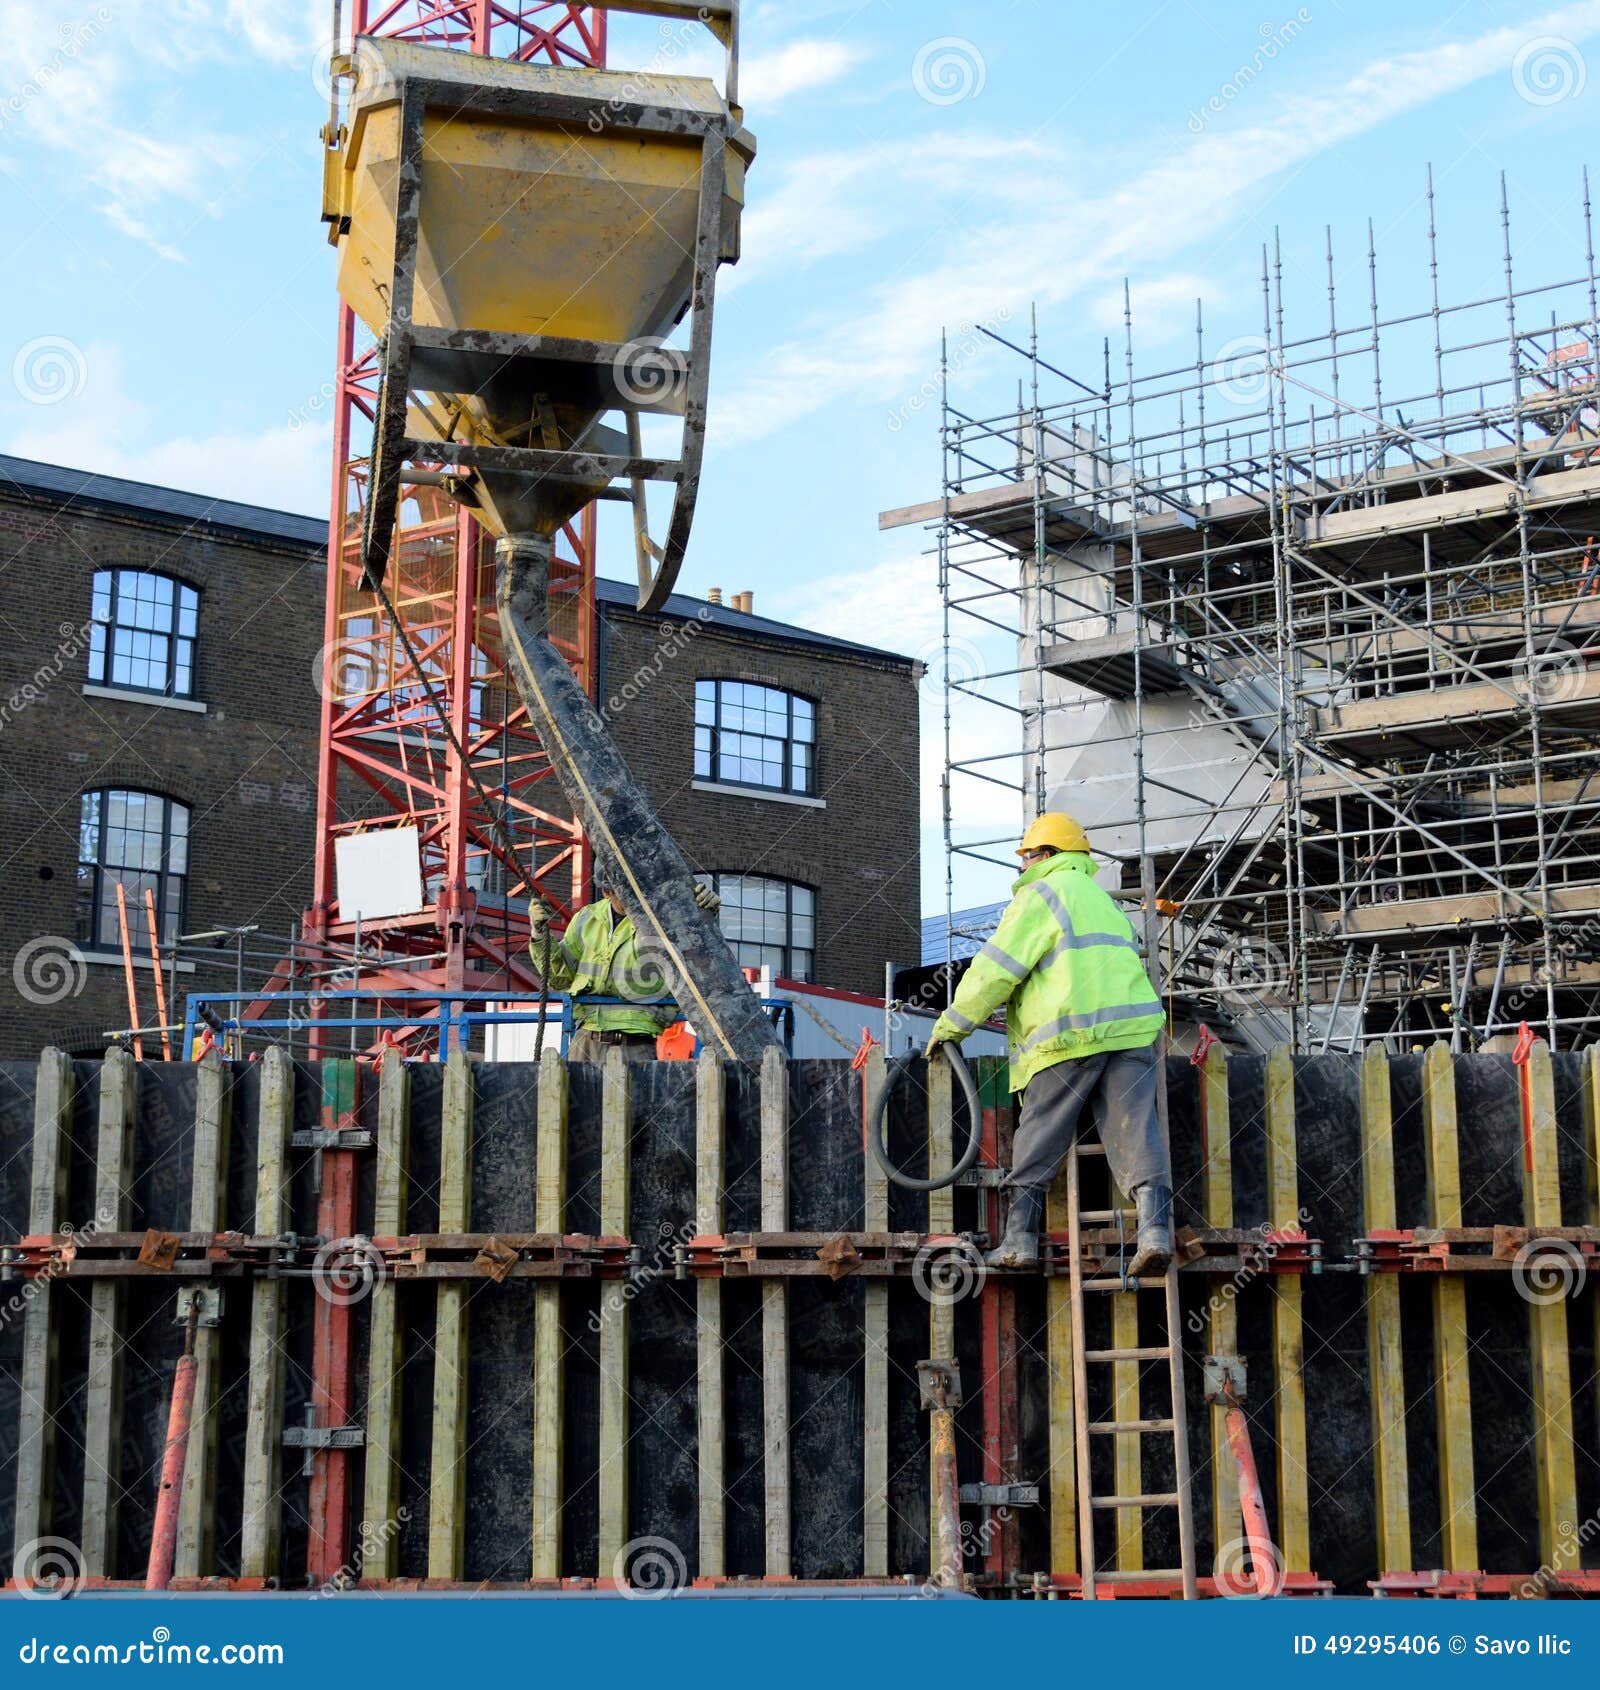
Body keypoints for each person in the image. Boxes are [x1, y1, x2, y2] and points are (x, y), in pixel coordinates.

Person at [923, 813, 1173, 1275]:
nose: (1023, 866)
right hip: (1133, 1034)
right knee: (1135, 1129)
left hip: (1071, 1035)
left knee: (1039, 1131)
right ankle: (1156, 1230)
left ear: (1050, 855)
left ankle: (1019, 1240)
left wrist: (952, 1024)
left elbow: (995, 969)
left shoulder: (1040, 896)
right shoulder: (1104, 902)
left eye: (1030, 855)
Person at [529, 875, 720, 1062]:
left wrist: (702, 917)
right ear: (606, 892)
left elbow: (696, 954)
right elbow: (559, 978)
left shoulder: (661, 918)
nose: (633, 898)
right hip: (587, 1037)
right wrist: (539, 934)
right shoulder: (587, 918)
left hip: (637, 1041)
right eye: (625, 892)